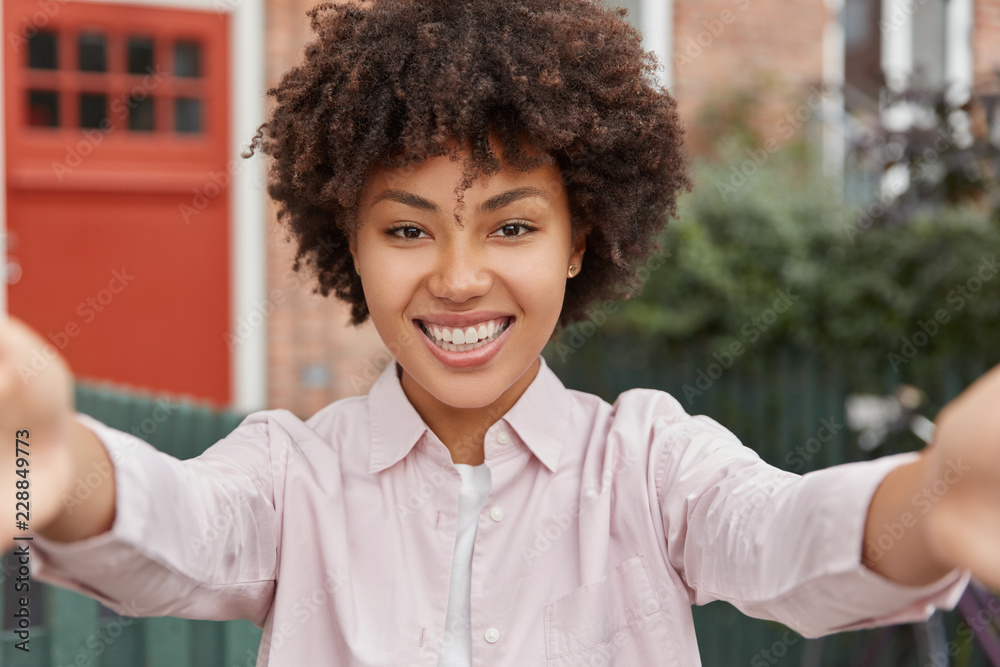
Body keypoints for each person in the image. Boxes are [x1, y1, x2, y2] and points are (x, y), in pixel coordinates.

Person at [3, 0, 999, 665]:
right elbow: (181, 525)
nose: (459, 277)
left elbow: (785, 534)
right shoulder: (292, 473)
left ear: (580, 240)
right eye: (406, 229)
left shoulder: (651, 464)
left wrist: (934, 500)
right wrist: (43, 458)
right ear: (350, 244)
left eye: (512, 225)